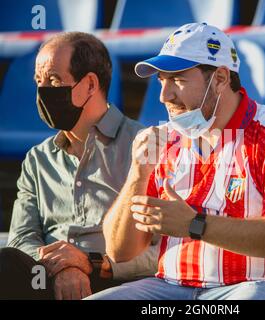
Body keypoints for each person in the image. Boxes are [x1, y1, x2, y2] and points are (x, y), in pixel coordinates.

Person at [88, 23, 265, 301]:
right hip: (173, 288)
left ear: (221, 78)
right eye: (162, 81)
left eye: (177, 79)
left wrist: (195, 225)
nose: (164, 96)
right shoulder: (166, 140)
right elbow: (119, 250)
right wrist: (138, 173)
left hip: (260, 285)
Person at [0, 32, 158, 300]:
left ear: (90, 84)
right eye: (38, 81)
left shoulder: (143, 146)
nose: (42, 92)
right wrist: (62, 267)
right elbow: (21, 237)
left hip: (118, 282)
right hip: (48, 280)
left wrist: (93, 264)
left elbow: (164, 248)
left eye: (53, 80)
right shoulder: (37, 159)